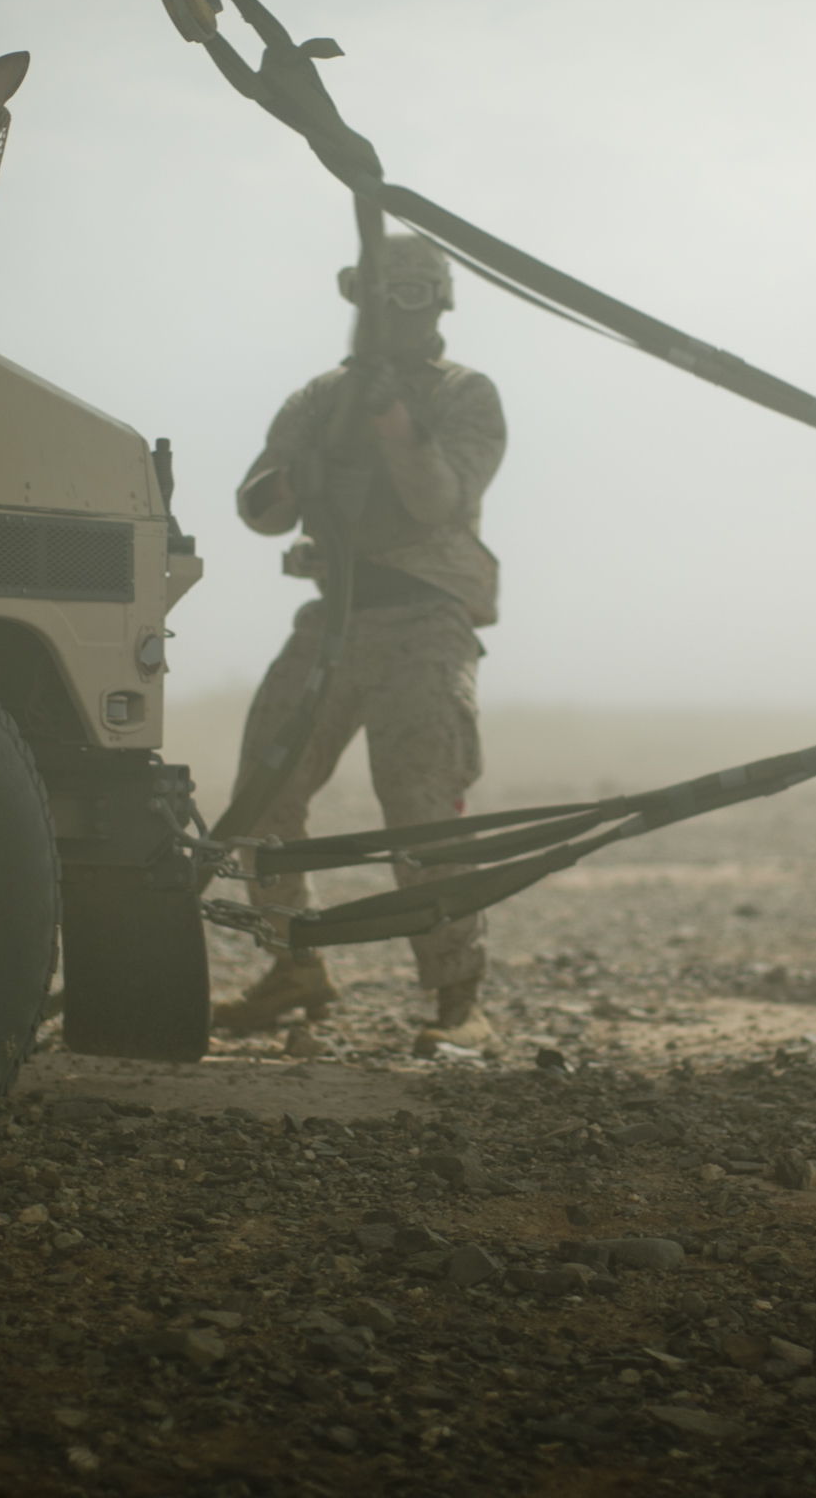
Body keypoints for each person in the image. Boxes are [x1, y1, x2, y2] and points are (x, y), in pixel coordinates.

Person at [212, 234, 506, 1053]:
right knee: (262, 793)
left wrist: (392, 424)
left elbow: (435, 502)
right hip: (333, 620)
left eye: (414, 297)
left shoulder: (465, 397)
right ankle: (293, 966)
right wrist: (306, 471)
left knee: (420, 806)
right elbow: (258, 506)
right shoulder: (316, 400)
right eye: (385, 298)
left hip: (423, 624)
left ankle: (458, 998)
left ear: (441, 304)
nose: (398, 315)